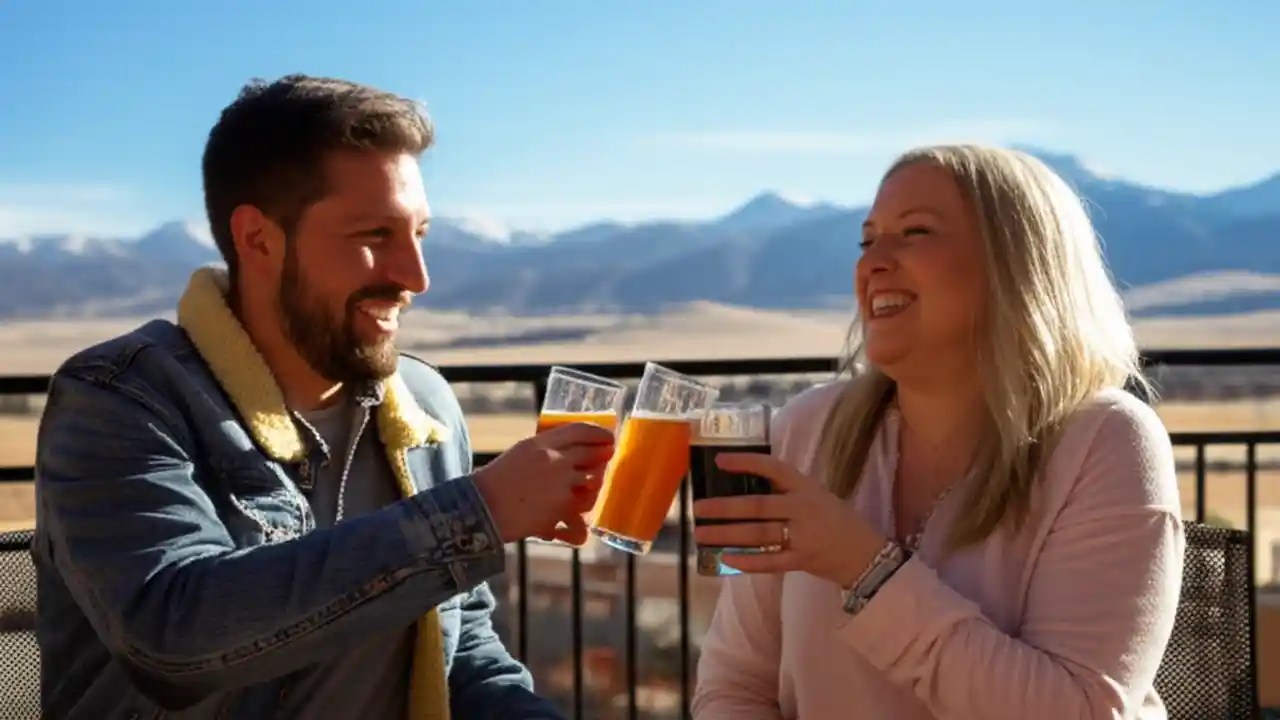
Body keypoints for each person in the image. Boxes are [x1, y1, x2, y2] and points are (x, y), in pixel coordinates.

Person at [32, 74, 611, 719]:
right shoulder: (121, 401)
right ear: (258, 240)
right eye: (374, 237)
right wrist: (476, 514)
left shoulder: (424, 407)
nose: (414, 278)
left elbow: (461, 649)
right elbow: (174, 639)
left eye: (418, 233)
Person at [690, 144, 1183, 719]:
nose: (874, 262)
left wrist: (866, 569)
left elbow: (1078, 710)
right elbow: (734, 687)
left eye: (915, 233)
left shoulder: (1106, 441)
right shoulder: (810, 429)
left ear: (1016, 265)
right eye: (867, 240)